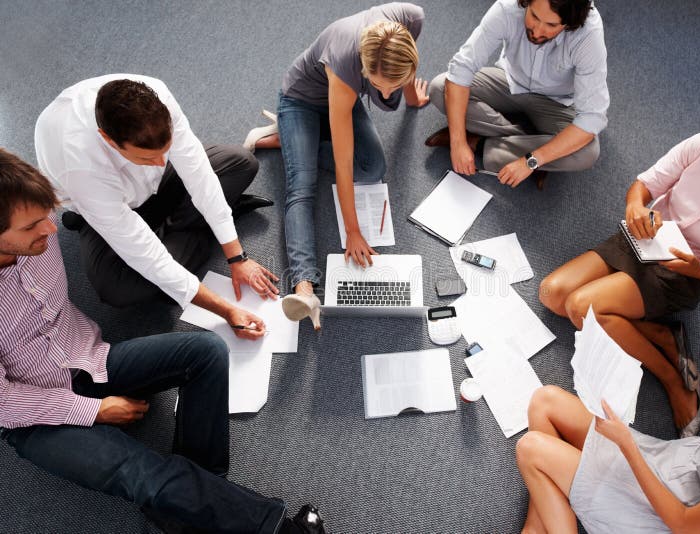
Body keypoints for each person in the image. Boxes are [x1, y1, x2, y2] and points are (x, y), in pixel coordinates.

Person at [0, 148, 324, 533]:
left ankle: (188, 503)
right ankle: (276, 528)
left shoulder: (41, 230)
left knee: (205, 351)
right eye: (32, 225)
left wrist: (226, 305)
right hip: (32, 416)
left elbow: (145, 254)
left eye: (46, 215)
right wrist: (94, 411)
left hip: (90, 357)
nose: (51, 230)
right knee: (138, 471)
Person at [538, 97, 700, 436]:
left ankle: (673, 380)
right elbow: (646, 184)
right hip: (645, 236)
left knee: (580, 308)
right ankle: (663, 333)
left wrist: (697, 271)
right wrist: (635, 206)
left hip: (688, 271)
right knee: (552, 294)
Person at [35, 74, 278, 341]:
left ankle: (185, 238)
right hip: (106, 206)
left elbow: (198, 175)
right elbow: (142, 251)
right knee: (116, 288)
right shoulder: (81, 166)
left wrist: (236, 257)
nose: (162, 163)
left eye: (166, 149)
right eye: (147, 157)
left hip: (152, 190)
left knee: (241, 163)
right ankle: (198, 229)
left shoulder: (157, 96)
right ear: (107, 139)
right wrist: (227, 311)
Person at [244, 3, 429, 330]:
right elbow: (342, 163)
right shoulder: (345, 67)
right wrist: (353, 231)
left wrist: (411, 96)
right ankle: (304, 286)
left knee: (372, 167)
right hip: (301, 100)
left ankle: (290, 142)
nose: (387, 94)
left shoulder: (410, 18)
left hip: (346, 98)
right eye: (380, 85)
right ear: (364, 67)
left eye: (393, 85)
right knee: (302, 184)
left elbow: (405, 65)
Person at [515, 338, 700, 533]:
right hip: (666, 463)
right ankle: (538, 526)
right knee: (544, 401)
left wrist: (626, 444)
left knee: (531, 449)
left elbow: (683, 524)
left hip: (665, 516)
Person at [425, 0, 608, 190]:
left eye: (551, 25)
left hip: (556, 101)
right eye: (534, 16)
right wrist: (457, 142)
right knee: (439, 89)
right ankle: (539, 149)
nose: (537, 31)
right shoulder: (507, 8)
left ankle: (480, 143)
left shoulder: (588, 34)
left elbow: (591, 117)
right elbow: (462, 68)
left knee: (587, 152)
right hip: (509, 81)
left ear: (569, 23)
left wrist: (531, 160)